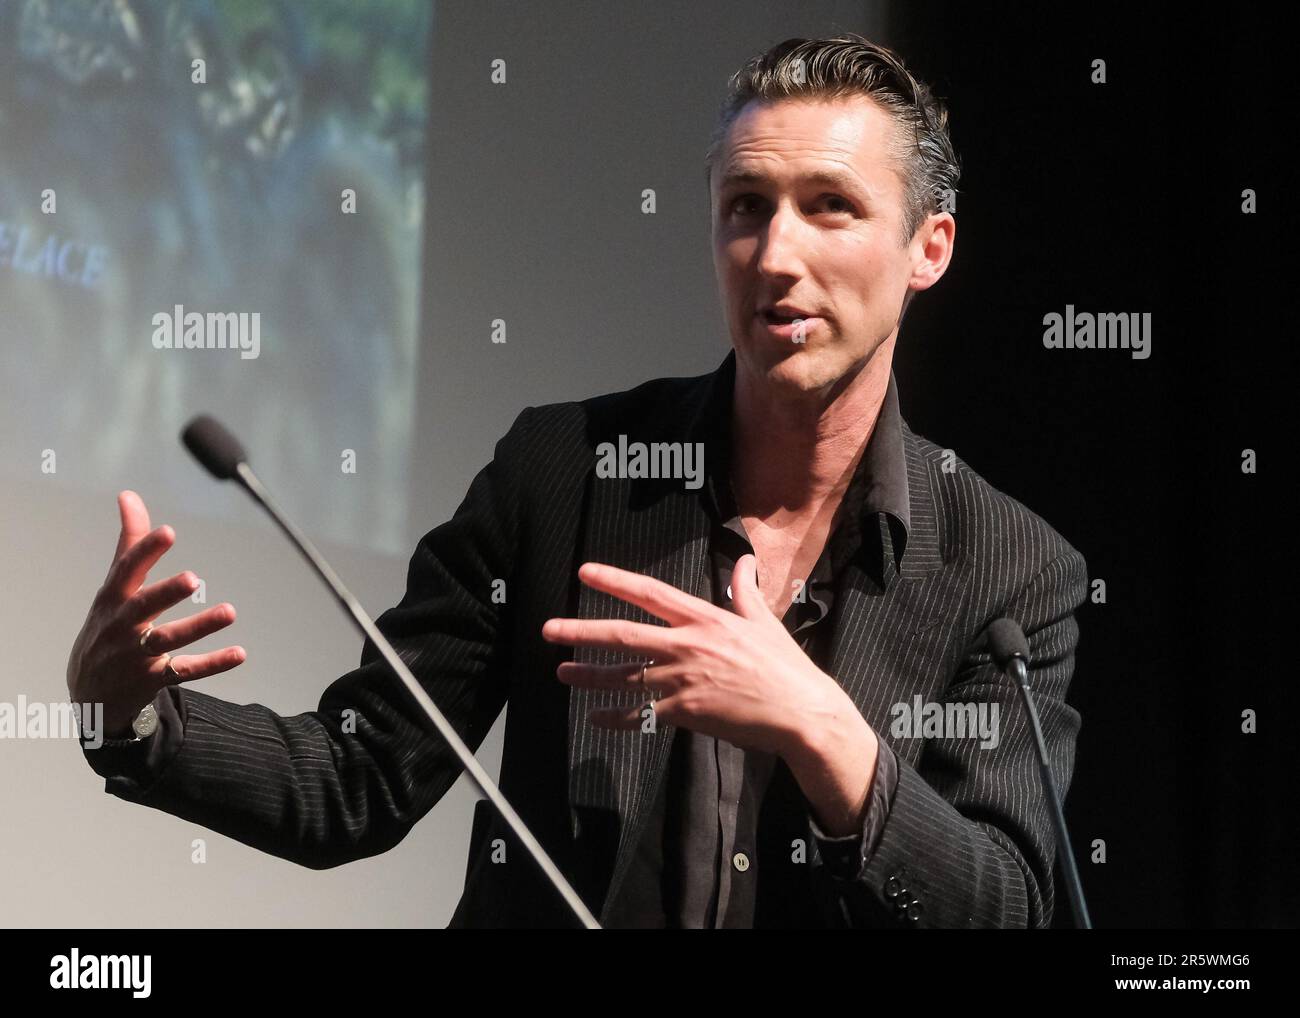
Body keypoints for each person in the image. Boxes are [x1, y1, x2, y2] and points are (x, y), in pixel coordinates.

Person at [67, 34, 1087, 928]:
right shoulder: (561, 474)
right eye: (746, 207)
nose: (777, 254)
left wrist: (818, 726)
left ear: (927, 249)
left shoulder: (1006, 573)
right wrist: (132, 721)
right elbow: (361, 776)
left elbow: (1005, 902)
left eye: (830, 208)